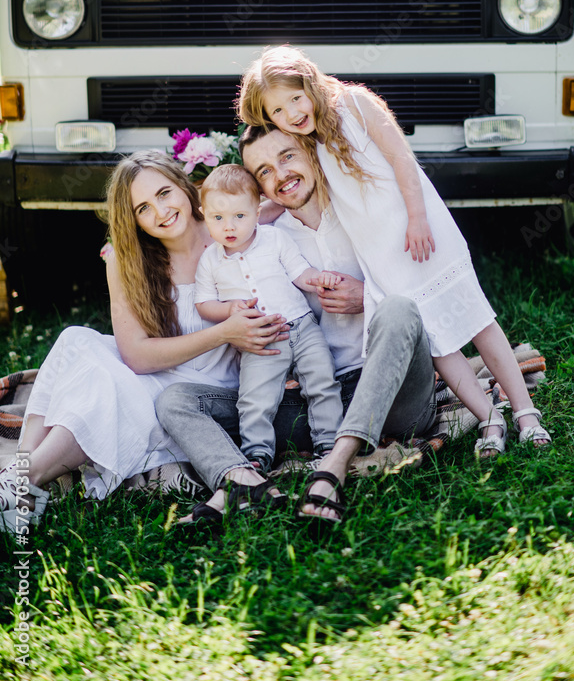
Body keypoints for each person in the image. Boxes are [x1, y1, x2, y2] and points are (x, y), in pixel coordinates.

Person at [237, 45, 552, 473]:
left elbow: (401, 157)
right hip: (381, 255)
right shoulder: (304, 144)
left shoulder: (354, 104)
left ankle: (524, 410)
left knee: (475, 319)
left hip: (417, 230)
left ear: (310, 82)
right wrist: (239, 219)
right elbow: (281, 198)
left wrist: (418, 218)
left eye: (295, 97)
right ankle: (488, 417)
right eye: (277, 110)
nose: (291, 112)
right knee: (437, 342)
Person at [157, 126, 443, 528]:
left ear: (312, 152)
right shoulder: (273, 234)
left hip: (387, 395)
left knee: (396, 307)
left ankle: (333, 467)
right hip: (302, 401)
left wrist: (368, 297)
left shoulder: (366, 208)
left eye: (288, 156)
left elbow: (429, 295)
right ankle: (242, 478)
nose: (280, 174)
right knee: (175, 400)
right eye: (265, 171)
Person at [0, 151, 289, 535]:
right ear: (133, 219)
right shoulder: (127, 258)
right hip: (154, 365)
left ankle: (21, 483)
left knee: (108, 387)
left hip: (202, 389)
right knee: (75, 340)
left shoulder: (229, 225)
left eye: (165, 193)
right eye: (144, 208)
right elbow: (135, 355)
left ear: (186, 187)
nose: (162, 211)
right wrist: (222, 332)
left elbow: (283, 204)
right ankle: (18, 475)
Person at [194, 163, 343, 474]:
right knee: (254, 397)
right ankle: (257, 453)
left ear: (257, 212)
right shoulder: (210, 260)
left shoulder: (275, 239)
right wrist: (229, 308)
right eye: (217, 218)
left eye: (239, 216)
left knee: (322, 379)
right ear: (203, 214)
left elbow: (299, 273)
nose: (229, 227)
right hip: (260, 339)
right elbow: (204, 303)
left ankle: (329, 443)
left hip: (302, 327)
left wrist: (319, 278)